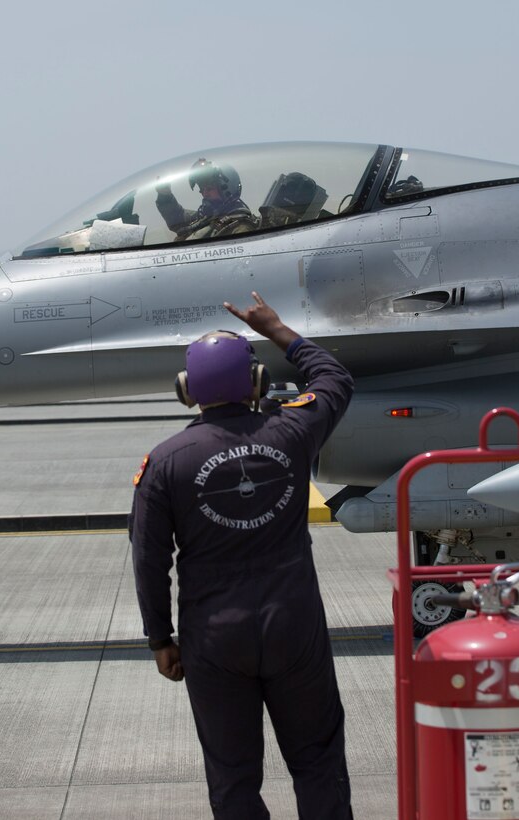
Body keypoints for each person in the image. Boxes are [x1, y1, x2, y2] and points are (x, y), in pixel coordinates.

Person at [129, 292, 354, 819]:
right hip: (293, 626)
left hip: (214, 636)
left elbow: (149, 559)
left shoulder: (164, 463)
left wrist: (160, 638)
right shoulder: (292, 430)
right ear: (255, 384)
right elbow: (335, 380)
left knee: (232, 778)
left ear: (187, 391)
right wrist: (278, 330)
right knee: (318, 761)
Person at [155, 157, 259, 241]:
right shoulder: (204, 218)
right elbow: (177, 217)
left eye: (209, 188)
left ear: (227, 189)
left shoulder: (241, 228)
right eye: (202, 189)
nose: (205, 193)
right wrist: (165, 196)